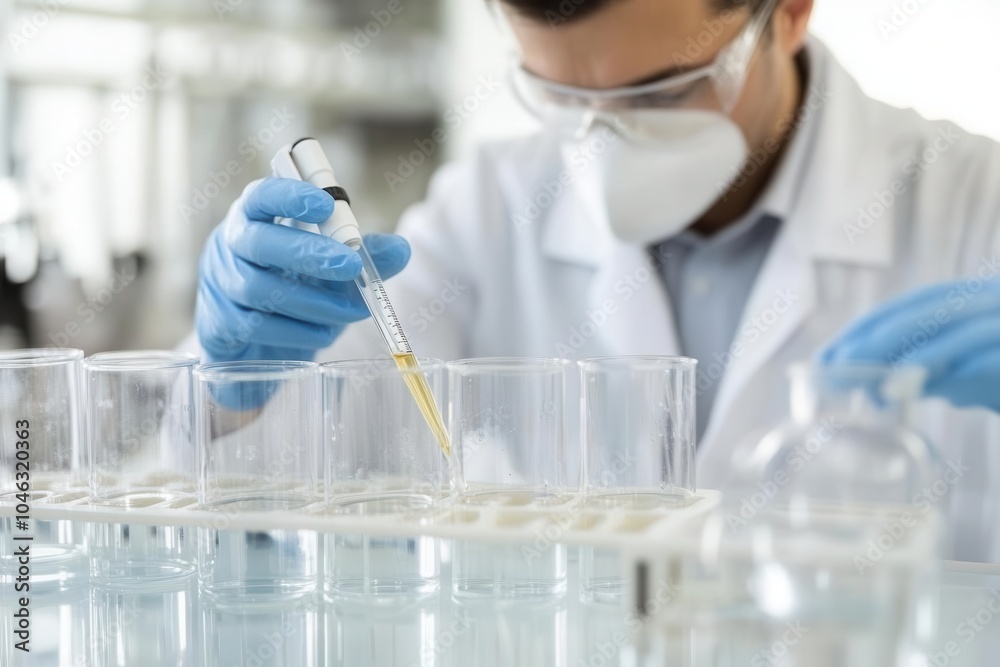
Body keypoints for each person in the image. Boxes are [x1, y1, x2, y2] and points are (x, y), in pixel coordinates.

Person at [193, 0, 1000, 562]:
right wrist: (236, 385)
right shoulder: (490, 206)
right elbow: (280, 485)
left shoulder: (974, 208)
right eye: (564, 95)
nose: (606, 142)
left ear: (789, 11)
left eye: (665, 91)